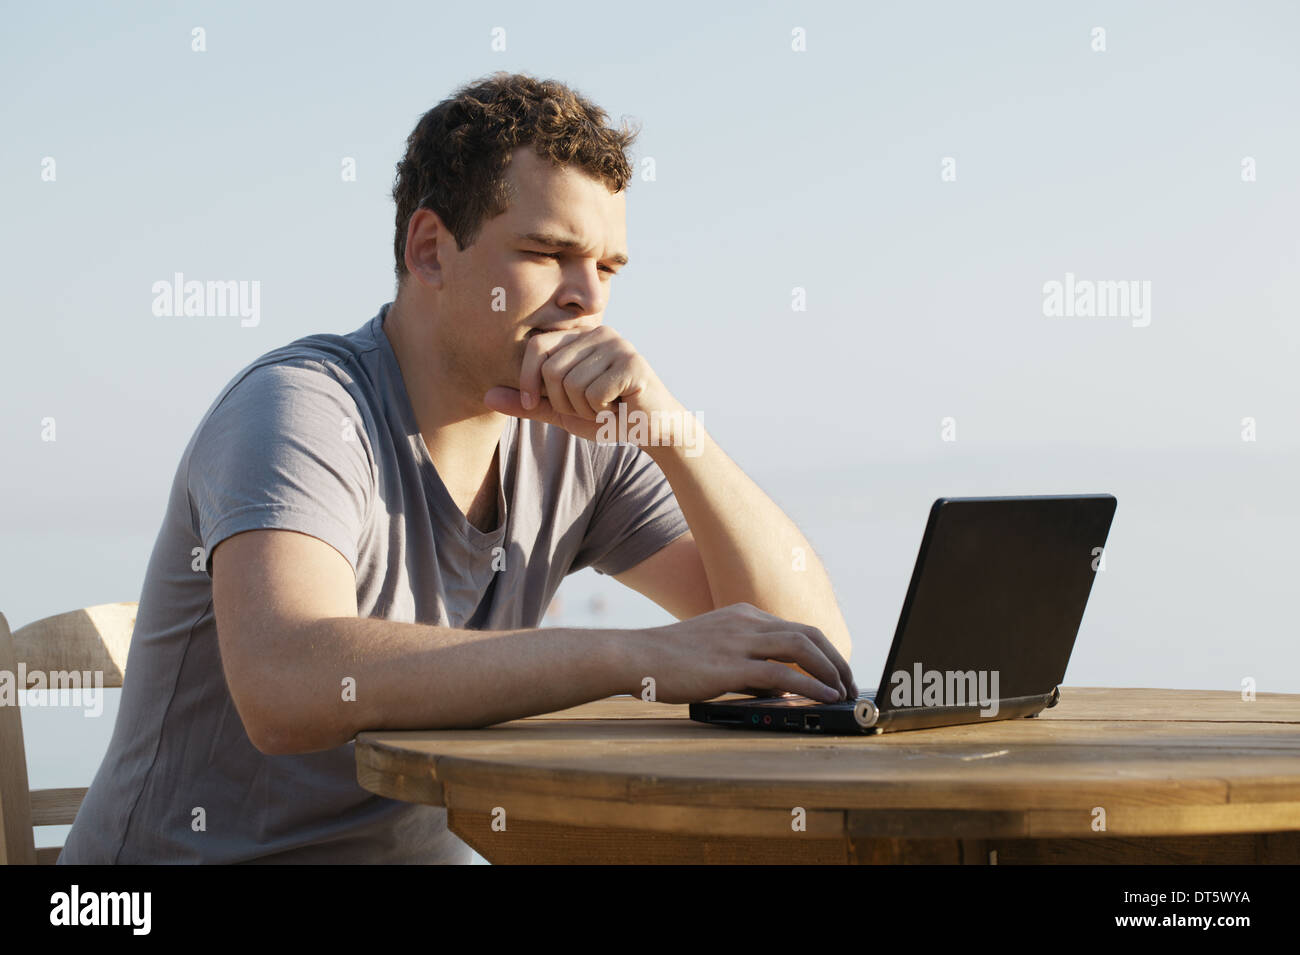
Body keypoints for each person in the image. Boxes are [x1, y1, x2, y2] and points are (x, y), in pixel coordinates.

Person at [59, 71, 854, 864]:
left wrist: (674, 433)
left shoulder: (579, 441)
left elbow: (806, 654)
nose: (588, 299)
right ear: (430, 250)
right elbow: (283, 683)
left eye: (608, 268)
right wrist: (632, 656)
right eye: (549, 252)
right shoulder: (300, 409)